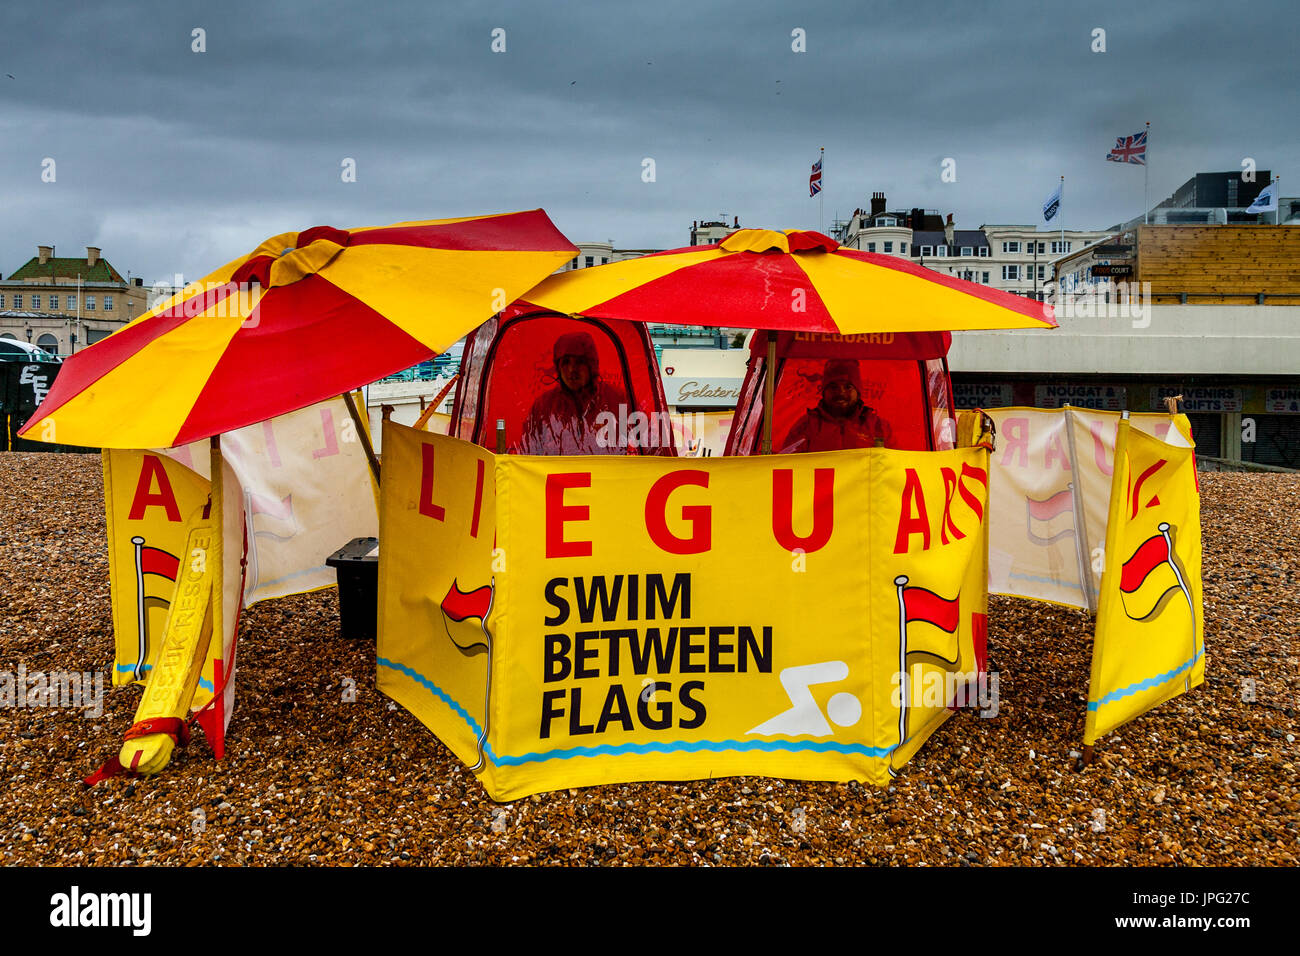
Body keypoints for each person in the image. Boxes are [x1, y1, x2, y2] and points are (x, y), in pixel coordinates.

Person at [515, 330, 626, 454]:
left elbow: (647, 442)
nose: (572, 369)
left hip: (607, 473)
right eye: (566, 362)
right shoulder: (543, 407)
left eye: (580, 362)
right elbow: (528, 455)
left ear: (592, 365)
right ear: (558, 367)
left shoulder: (617, 400)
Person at [777, 358, 892, 453]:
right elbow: (786, 465)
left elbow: (895, 470)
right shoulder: (805, 426)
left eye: (848, 387)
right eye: (833, 387)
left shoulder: (878, 427)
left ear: (858, 392)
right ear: (823, 392)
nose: (841, 393)